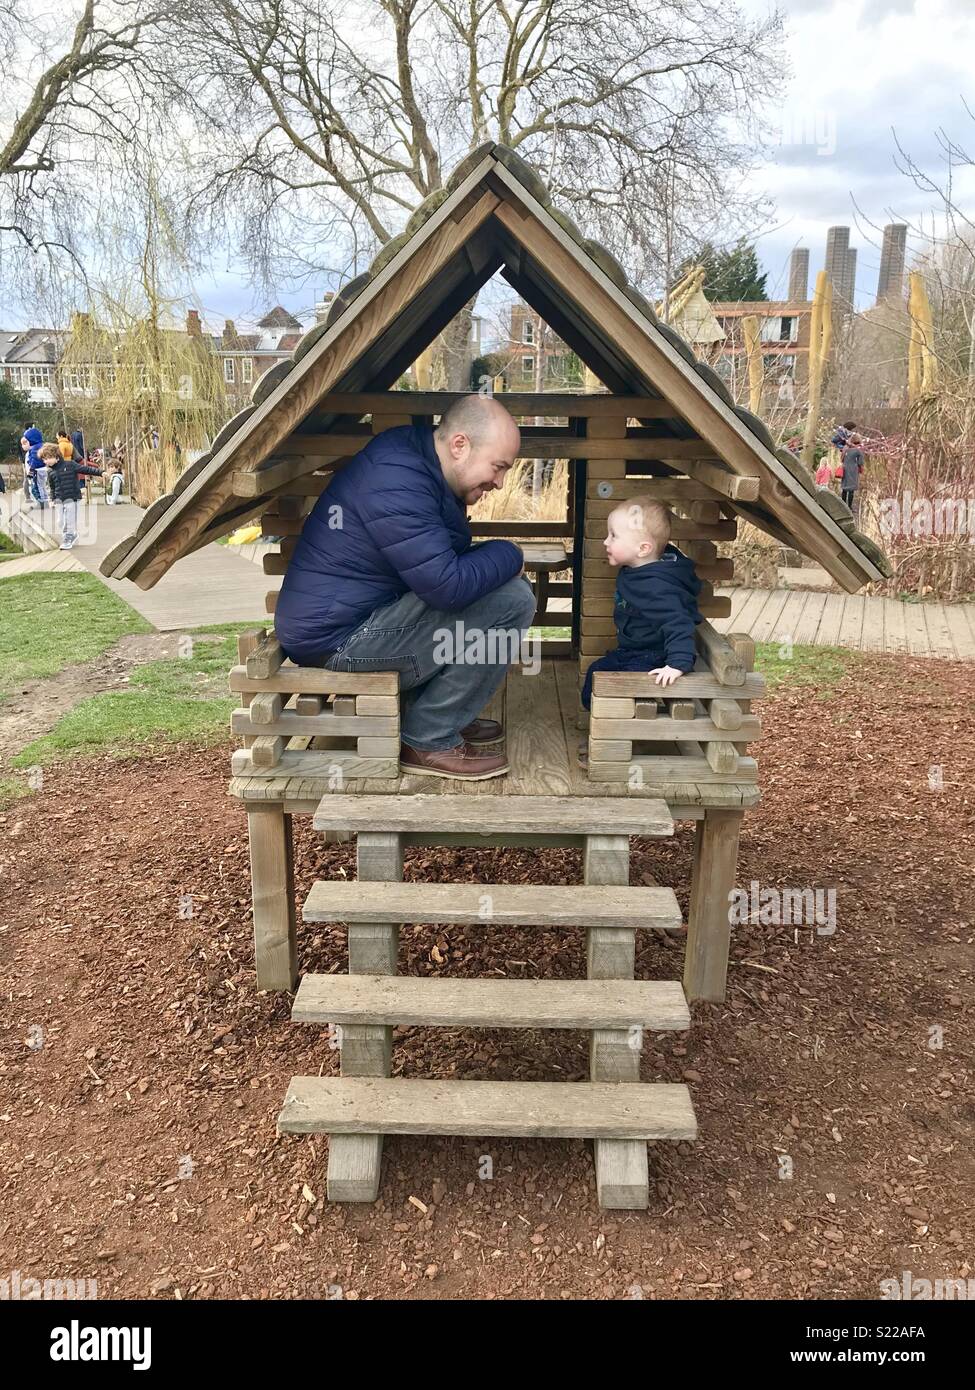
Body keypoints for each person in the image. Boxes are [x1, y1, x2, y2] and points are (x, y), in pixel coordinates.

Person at [273, 394, 537, 781]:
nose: (499, 482)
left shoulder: (416, 463)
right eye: (498, 467)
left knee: (505, 589)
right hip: (340, 638)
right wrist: (512, 553)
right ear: (460, 445)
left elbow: (441, 568)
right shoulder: (396, 479)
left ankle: (443, 713)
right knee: (512, 599)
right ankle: (427, 735)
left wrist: (504, 563)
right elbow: (446, 587)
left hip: (357, 616)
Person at [580, 498, 703, 710]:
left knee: (621, 684)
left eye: (614, 536)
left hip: (656, 655)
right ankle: (600, 715)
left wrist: (677, 664)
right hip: (631, 649)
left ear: (643, 548)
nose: (605, 542)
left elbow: (679, 623)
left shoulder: (657, 587)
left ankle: (614, 723)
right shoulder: (639, 569)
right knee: (596, 671)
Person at [40, 442, 102, 548]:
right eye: (44, 459)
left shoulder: (70, 464)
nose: (46, 461)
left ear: (56, 456)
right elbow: (52, 487)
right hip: (59, 499)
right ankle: (72, 535)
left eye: (48, 458)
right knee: (60, 521)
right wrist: (51, 499)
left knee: (69, 520)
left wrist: (100, 472)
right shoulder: (50, 472)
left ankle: (67, 539)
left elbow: (86, 469)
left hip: (72, 498)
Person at [21, 425, 47, 508]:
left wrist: (31, 472)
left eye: (25, 443)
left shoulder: (34, 449)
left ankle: (41, 503)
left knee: (36, 487)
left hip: (36, 471)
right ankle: (44, 502)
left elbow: (34, 462)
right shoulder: (39, 447)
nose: (23, 446)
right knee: (42, 486)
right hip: (42, 470)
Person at [840, 434, 865, 512]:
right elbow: (860, 462)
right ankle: (849, 507)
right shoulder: (858, 451)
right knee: (851, 489)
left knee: (844, 488)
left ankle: (843, 505)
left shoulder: (845, 449)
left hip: (845, 469)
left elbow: (842, 459)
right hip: (853, 470)